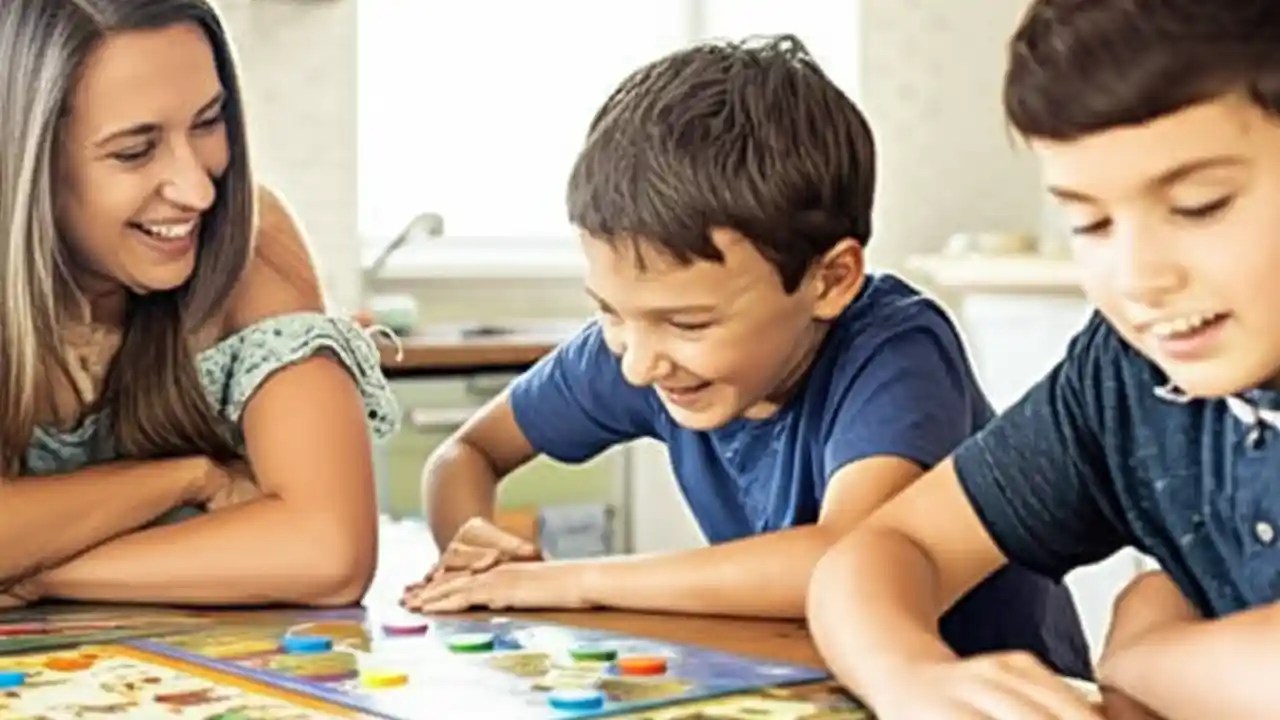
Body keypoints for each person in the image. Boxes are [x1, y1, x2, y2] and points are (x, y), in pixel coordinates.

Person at [400, 34, 1090, 679]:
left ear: (830, 280)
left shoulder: (895, 348)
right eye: (609, 312)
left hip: (988, 691)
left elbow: (844, 561)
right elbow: (465, 456)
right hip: (805, 681)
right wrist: (479, 551)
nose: (638, 364)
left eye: (689, 322)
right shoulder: (644, 347)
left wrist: (569, 582)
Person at [805, 1, 1280, 718]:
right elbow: (889, 547)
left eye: (1200, 205)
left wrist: (1142, 652)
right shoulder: (1126, 377)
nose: (1138, 277)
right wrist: (909, 674)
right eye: (1089, 222)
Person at [0, 0, 397, 607]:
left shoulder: (252, 243)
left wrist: (40, 569)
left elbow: (328, 551)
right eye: (135, 151)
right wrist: (184, 479)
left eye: (209, 122)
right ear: (26, 162)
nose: (198, 189)